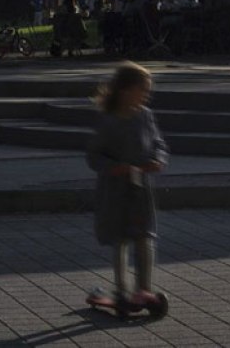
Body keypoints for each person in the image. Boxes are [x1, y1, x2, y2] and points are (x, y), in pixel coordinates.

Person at [86, 62, 169, 313]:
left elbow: (158, 144)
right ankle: (121, 289)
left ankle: (143, 287)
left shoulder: (145, 116)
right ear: (125, 90)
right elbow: (94, 156)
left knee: (145, 237)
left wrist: (158, 160)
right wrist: (113, 167)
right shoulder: (108, 120)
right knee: (120, 238)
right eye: (142, 90)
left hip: (140, 188)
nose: (146, 95)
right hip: (115, 189)